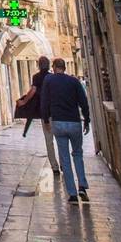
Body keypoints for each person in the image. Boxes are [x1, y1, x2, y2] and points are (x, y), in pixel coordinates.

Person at [40, 57, 90, 204]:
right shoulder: (74, 81)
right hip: (74, 122)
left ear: (54, 67)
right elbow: (83, 102)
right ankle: (82, 186)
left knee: (65, 157)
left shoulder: (49, 80)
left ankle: (72, 194)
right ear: (65, 68)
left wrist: (46, 119)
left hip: (58, 122)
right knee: (78, 154)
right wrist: (87, 120)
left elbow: (44, 101)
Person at [19, 55, 61, 175]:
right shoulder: (53, 77)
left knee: (49, 140)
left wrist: (24, 101)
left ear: (38, 65)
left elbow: (33, 91)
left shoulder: (36, 77)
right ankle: (63, 163)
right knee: (60, 140)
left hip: (45, 112)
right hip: (56, 112)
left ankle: (54, 166)